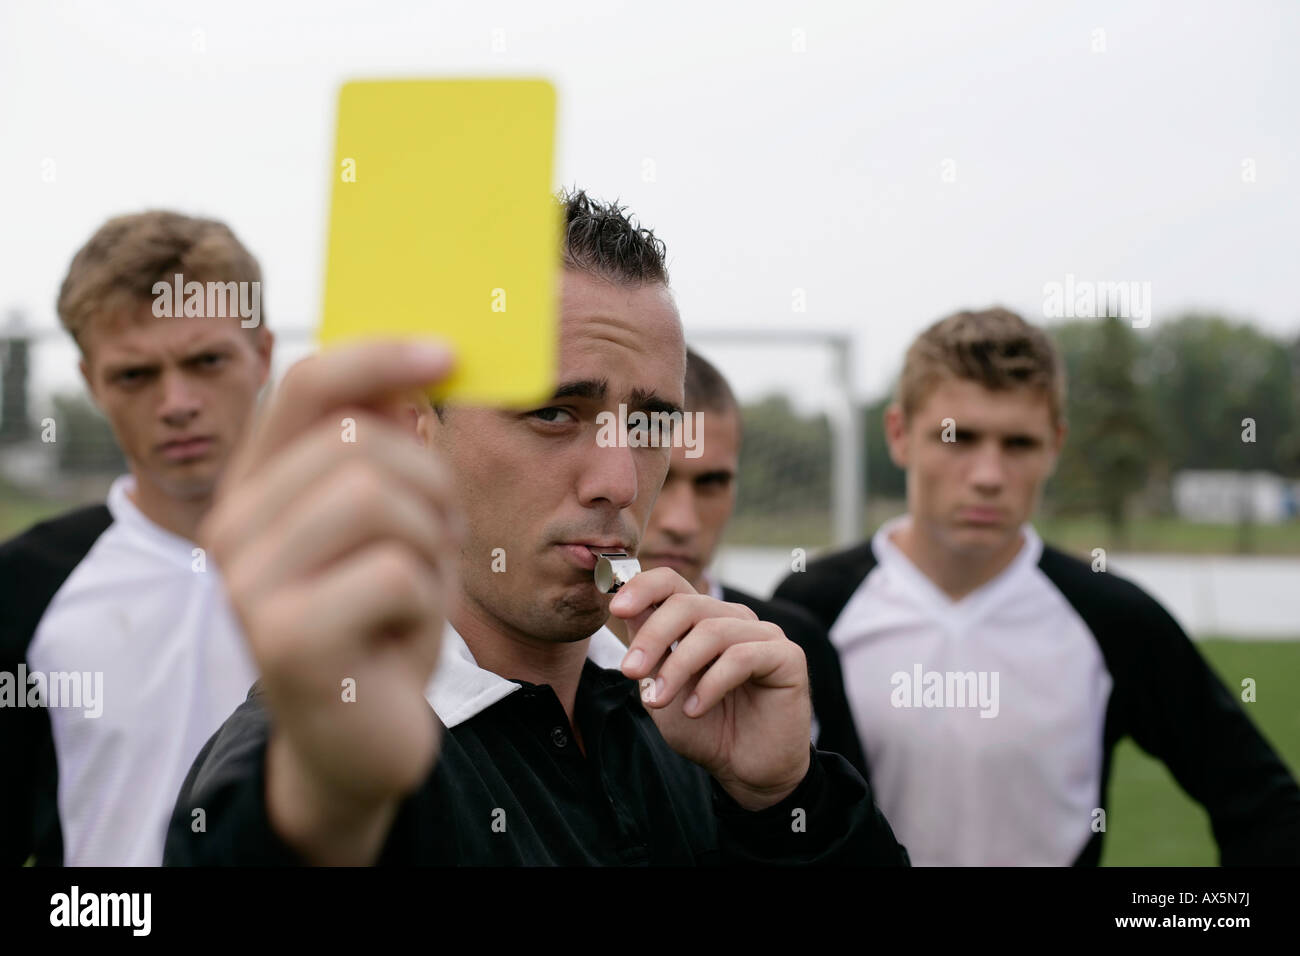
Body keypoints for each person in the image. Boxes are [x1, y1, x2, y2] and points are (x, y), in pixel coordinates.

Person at [164, 190, 908, 866]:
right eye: (555, 413)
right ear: (415, 429)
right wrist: (323, 807)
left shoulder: (690, 713)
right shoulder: (319, 759)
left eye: (649, 423)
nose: (619, 482)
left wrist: (786, 802)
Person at [774, 307, 1300, 865]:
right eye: (960, 438)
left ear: (1055, 444)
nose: (988, 475)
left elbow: (1265, 806)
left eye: (1018, 444)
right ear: (901, 435)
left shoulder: (1111, 615)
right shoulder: (813, 605)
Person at [0, 211, 274, 865]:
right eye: (135, 375)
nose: (176, 401)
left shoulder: (367, 564)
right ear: (92, 381)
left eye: (206, 360)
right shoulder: (25, 585)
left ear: (262, 355)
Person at [605, 348, 869, 777]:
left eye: (712, 482)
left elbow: (855, 841)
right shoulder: (531, 652)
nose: (682, 522)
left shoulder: (794, 643)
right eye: (662, 476)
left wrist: (779, 797)